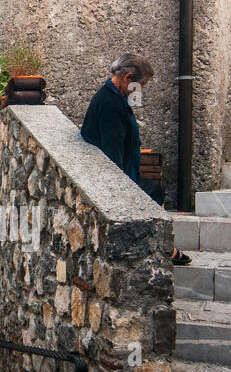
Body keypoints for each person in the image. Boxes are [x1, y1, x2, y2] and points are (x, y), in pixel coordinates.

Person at [80, 53, 191, 265]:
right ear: (128, 77)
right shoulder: (110, 104)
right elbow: (113, 152)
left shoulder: (115, 97)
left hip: (126, 170)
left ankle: (163, 246)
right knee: (152, 192)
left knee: (154, 190)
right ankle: (162, 248)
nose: (141, 91)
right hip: (116, 179)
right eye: (141, 85)